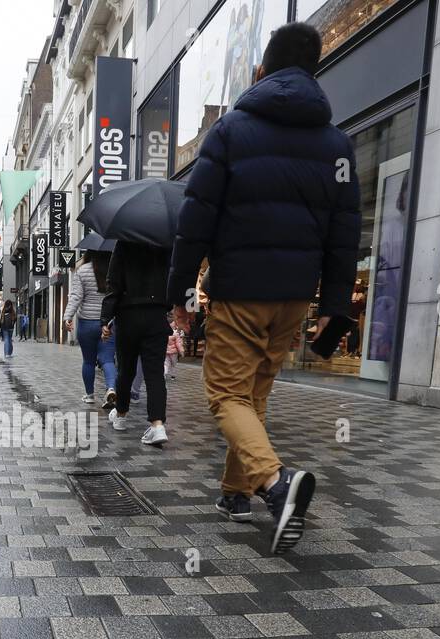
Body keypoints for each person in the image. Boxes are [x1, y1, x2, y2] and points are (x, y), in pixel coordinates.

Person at [168, 22, 360, 555]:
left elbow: (196, 218)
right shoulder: (337, 145)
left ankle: (276, 487)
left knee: (226, 394)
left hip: (239, 289)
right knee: (253, 394)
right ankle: (235, 493)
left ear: (261, 72)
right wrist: (336, 304)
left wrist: (182, 291)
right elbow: (346, 231)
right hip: (295, 296)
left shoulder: (230, 132)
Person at [102, 240, 172, 447]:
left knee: (126, 369)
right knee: (155, 373)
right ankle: (157, 425)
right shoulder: (166, 245)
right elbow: (173, 278)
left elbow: (113, 282)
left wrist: (105, 319)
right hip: (157, 316)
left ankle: (121, 415)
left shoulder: (125, 242)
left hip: (129, 316)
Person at [63, 250, 117, 408]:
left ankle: (90, 395)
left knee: (88, 361)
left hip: (86, 323)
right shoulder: (114, 269)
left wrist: (67, 317)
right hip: (108, 323)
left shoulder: (83, 270)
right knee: (107, 359)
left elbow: (76, 297)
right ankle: (111, 388)